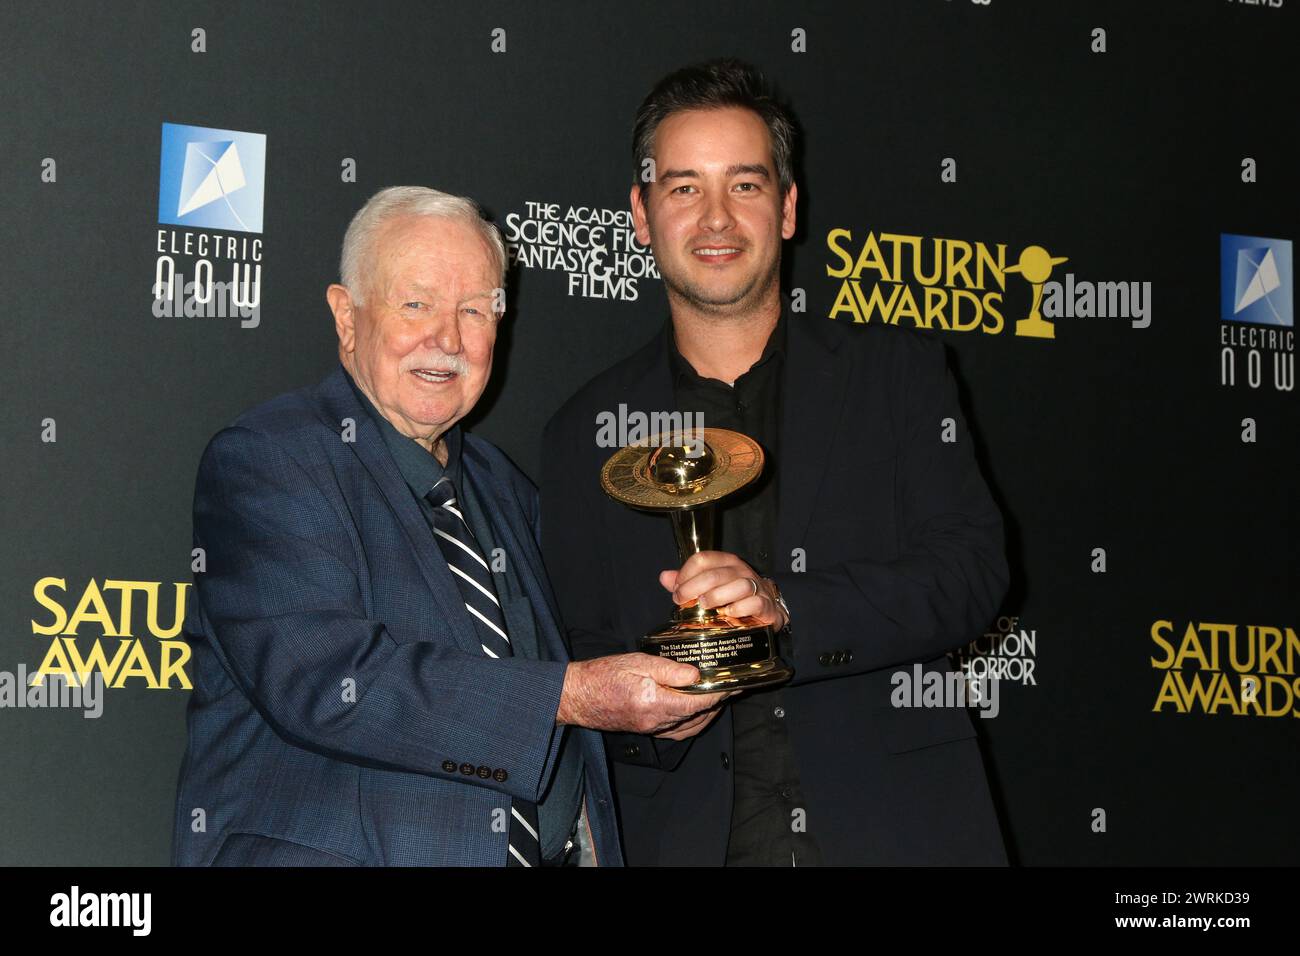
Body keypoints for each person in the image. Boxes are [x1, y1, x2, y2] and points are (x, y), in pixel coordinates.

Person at [541, 60, 1010, 865]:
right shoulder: (585, 430)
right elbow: (578, 655)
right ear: (641, 215)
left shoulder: (896, 376)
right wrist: (652, 717)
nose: (716, 218)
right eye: (684, 187)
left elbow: (972, 573)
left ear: (788, 208)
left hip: (898, 835)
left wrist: (786, 606)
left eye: (746, 186)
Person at [172, 186, 726, 867]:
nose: (448, 338)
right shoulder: (270, 461)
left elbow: (537, 706)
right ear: (347, 318)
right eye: (416, 304)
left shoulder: (504, 487)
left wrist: (650, 718)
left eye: (475, 309)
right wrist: (578, 694)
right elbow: (328, 681)